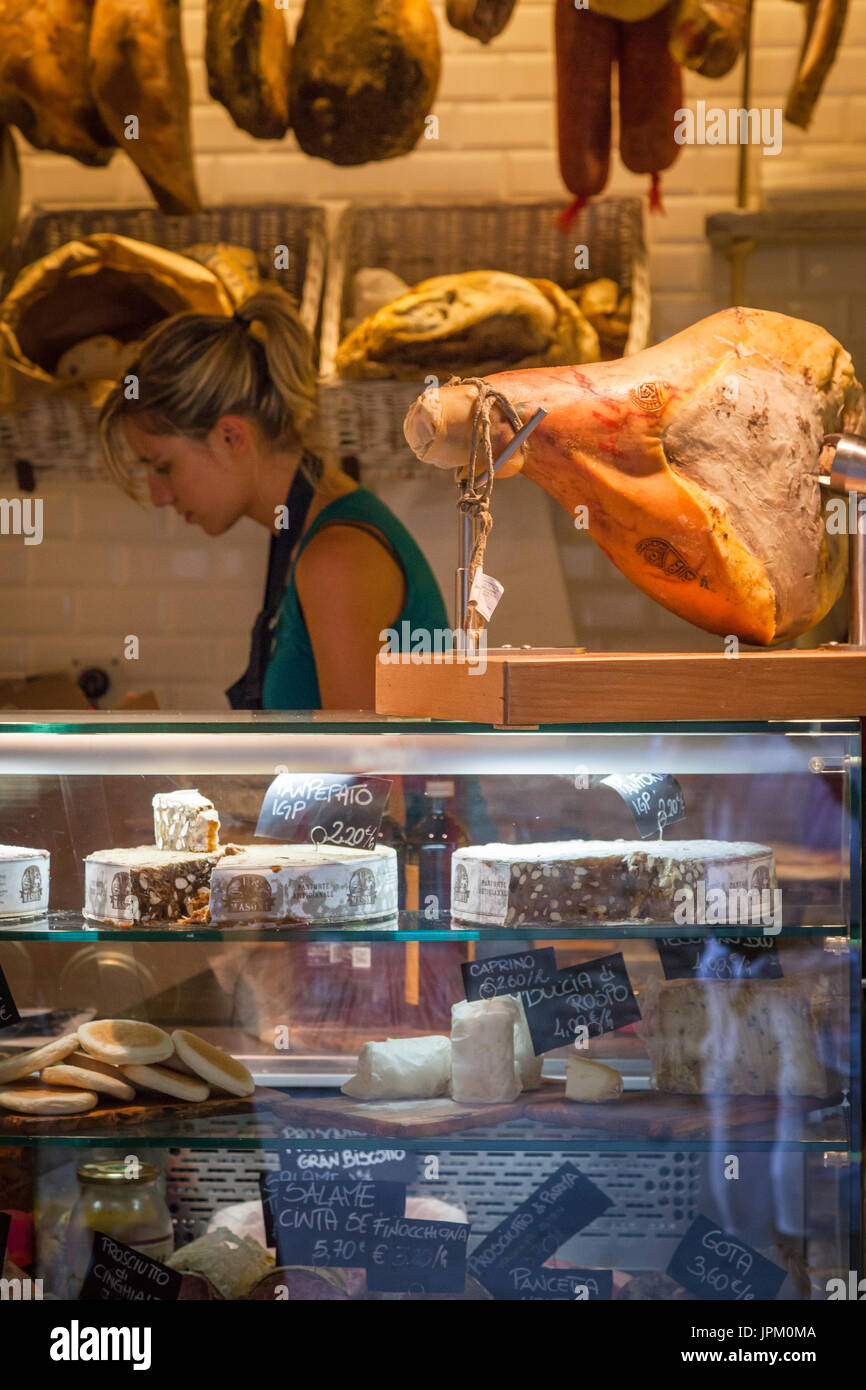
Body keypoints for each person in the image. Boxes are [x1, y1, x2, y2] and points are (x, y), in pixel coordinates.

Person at [98, 284, 448, 710]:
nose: (158, 496)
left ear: (230, 436)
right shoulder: (311, 532)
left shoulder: (334, 558)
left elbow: (368, 772)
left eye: (162, 466)